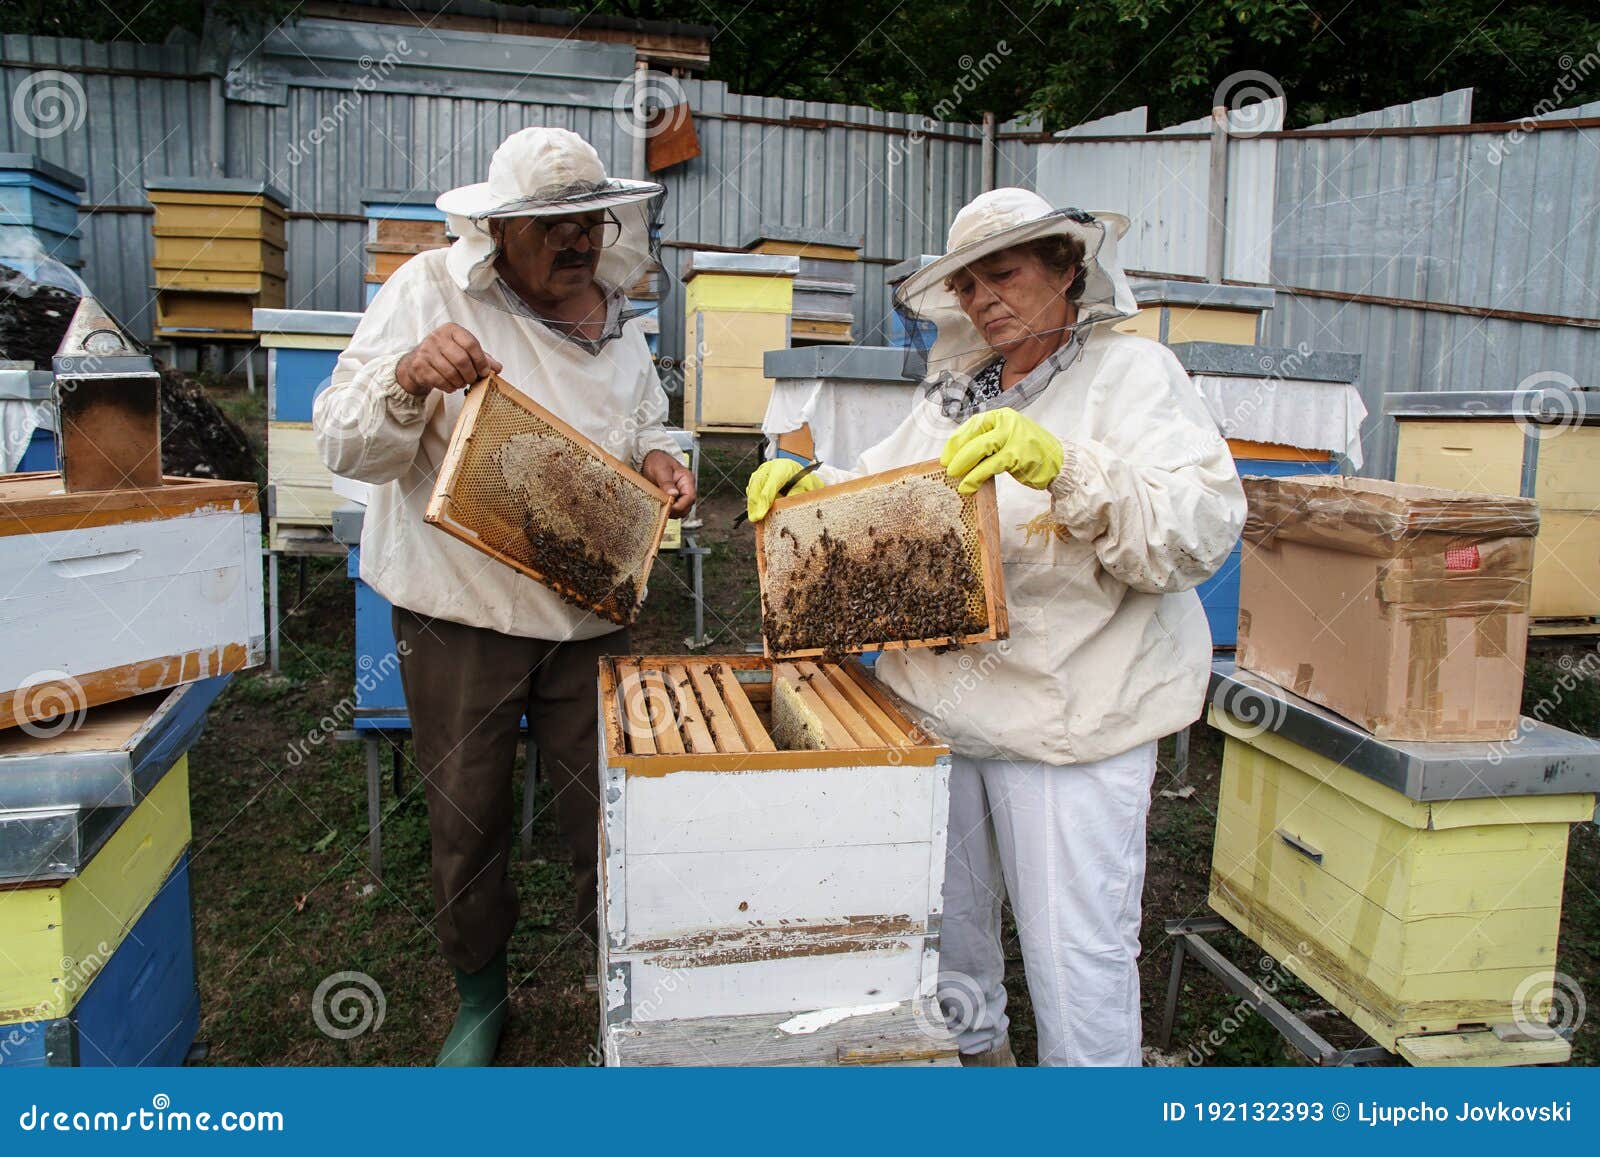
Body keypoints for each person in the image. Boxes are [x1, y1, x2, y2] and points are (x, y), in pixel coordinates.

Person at [746, 188, 1245, 1066]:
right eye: (969, 285)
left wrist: (1069, 469)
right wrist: (805, 484)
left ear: (1067, 270)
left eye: (1004, 273)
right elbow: (879, 485)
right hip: (940, 710)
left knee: (1077, 963)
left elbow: (1197, 527)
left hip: (1073, 723)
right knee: (954, 950)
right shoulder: (955, 391)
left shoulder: (1133, 376)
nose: (985, 299)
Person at [313, 127, 694, 1066]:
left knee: (609, 809)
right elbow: (342, 442)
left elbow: (649, 419)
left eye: (589, 223)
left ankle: (622, 979)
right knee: (468, 814)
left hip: (590, 612)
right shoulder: (427, 293)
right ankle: (480, 993)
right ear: (499, 230)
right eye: (553, 227)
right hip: (462, 609)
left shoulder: (616, 313)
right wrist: (407, 378)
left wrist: (661, 460)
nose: (578, 243)